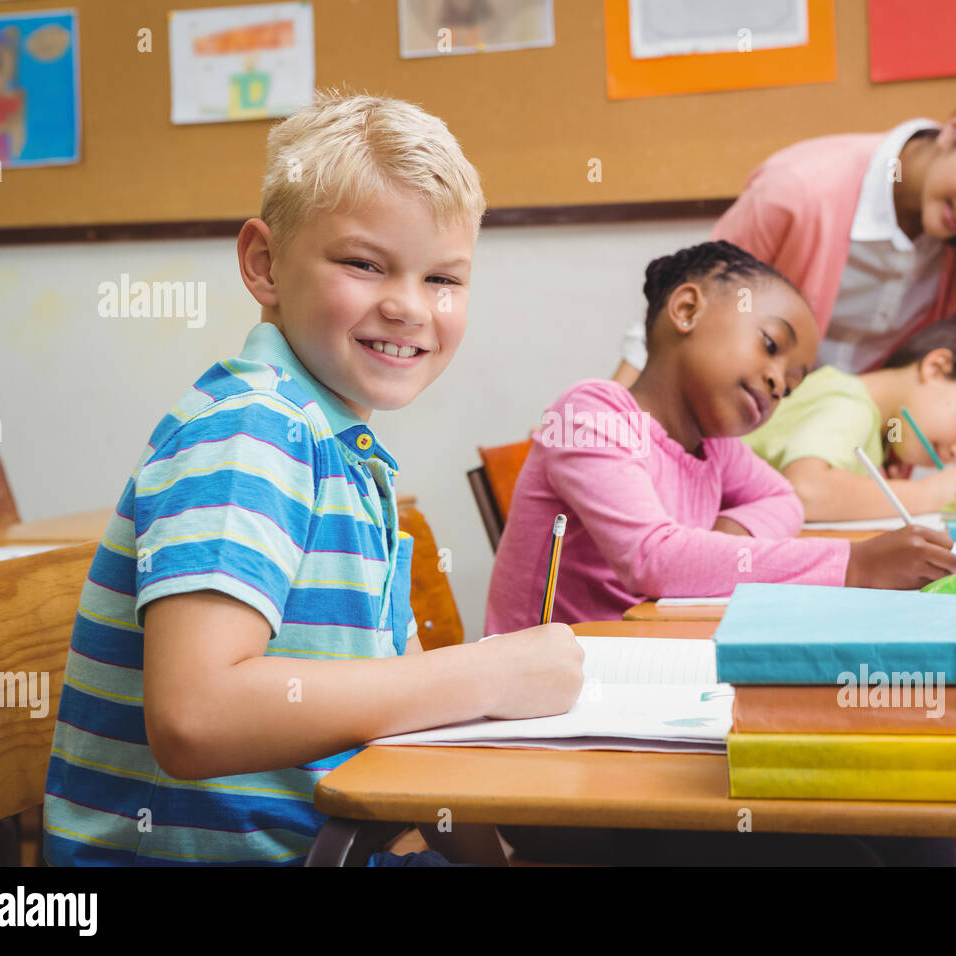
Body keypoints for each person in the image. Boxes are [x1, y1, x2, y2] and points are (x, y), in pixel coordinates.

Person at [43, 93, 584, 866]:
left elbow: (406, 720)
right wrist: (485, 674)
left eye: (442, 277)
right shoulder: (251, 430)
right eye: (364, 264)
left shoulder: (347, 456)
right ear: (264, 264)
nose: (408, 306)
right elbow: (195, 716)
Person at [485, 240, 956, 638]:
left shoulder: (716, 449)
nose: (777, 383)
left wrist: (716, 544)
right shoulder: (591, 413)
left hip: (645, 655)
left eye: (790, 385)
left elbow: (784, 499)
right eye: (770, 345)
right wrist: (853, 565)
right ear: (687, 310)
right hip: (539, 689)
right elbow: (653, 560)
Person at [613, 84, 956, 404]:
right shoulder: (797, 191)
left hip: (861, 461)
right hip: (748, 439)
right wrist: (614, 427)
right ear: (955, 128)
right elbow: (683, 310)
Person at [745, 313, 956, 520]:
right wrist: (929, 494)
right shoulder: (850, 402)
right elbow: (806, 491)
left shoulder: (872, 427)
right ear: (936, 367)